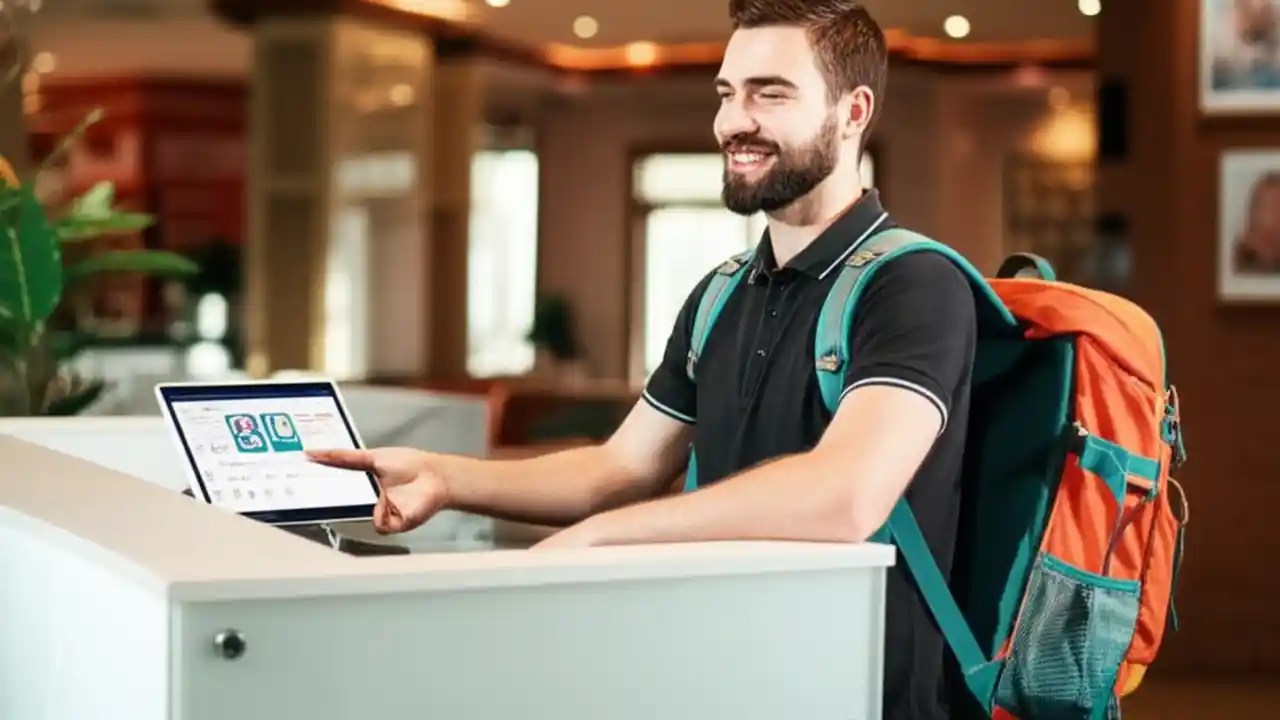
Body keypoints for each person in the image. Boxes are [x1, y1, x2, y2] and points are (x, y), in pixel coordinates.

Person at [308, 2, 976, 718]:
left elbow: (845, 495)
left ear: (853, 112)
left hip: (861, 693)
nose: (734, 122)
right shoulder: (721, 293)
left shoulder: (915, 285)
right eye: (727, 93)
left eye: (770, 94)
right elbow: (621, 468)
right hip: (719, 681)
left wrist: (606, 536)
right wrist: (446, 477)